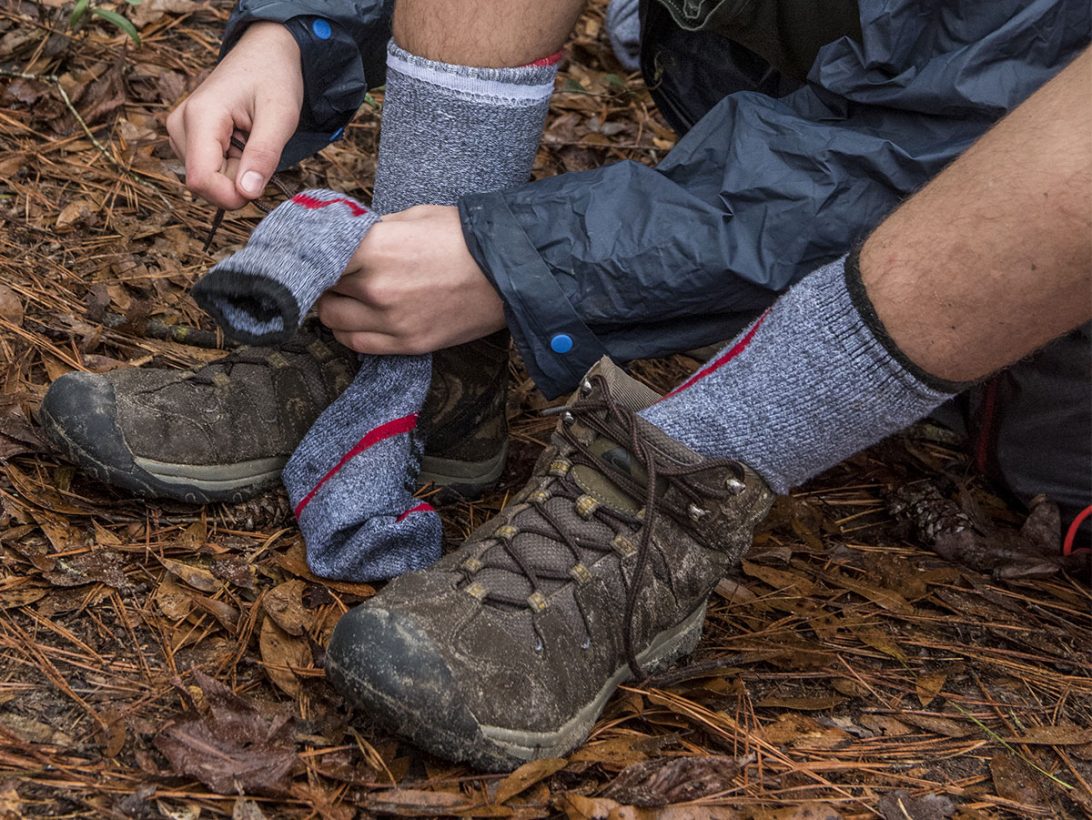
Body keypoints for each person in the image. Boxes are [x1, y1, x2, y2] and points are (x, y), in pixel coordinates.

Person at [37, 0, 1089, 764]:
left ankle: (684, 482)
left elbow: (943, 133)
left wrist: (517, 258)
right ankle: (415, 371)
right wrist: (295, 25)